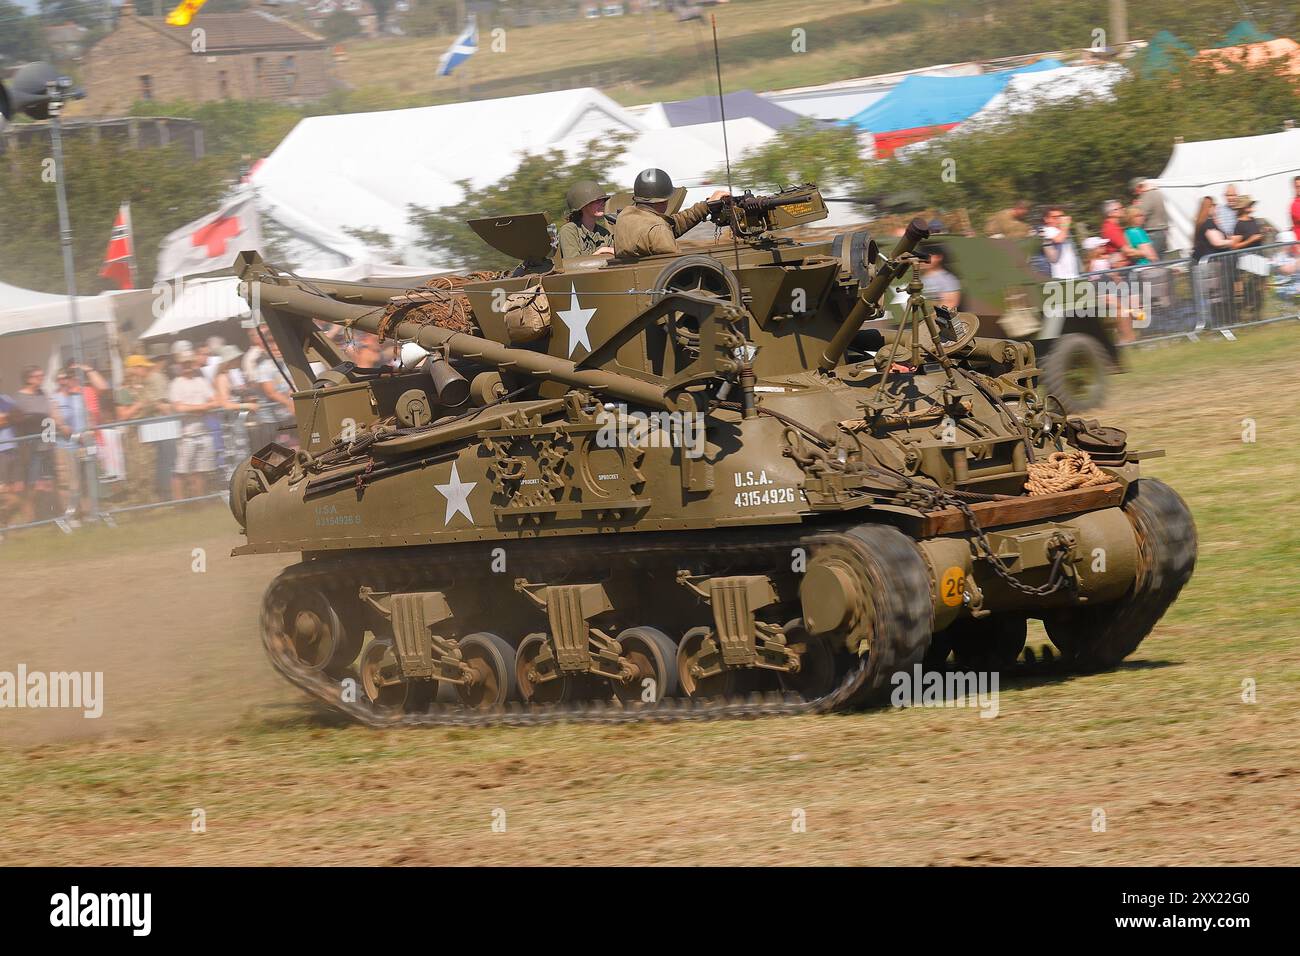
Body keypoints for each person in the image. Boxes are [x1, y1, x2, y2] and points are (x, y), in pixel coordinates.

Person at [611, 168, 729, 257]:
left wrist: (706, 206)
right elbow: (677, 269)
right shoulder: (658, 229)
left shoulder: (625, 217)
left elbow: (672, 224)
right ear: (664, 200)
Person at [168, 351, 219, 501]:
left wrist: (195, 408)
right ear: (179, 365)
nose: (187, 366)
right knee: (180, 471)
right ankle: (180, 503)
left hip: (203, 431)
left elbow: (215, 401)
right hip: (185, 434)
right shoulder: (176, 384)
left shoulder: (201, 381)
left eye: (189, 363)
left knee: (200, 471)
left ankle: (200, 502)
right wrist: (203, 408)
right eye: (184, 363)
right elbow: (178, 408)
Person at [556, 181, 614, 259]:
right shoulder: (569, 231)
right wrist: (600, 252)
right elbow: (572, 264)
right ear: (583, 204)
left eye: (603, 200)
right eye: (597, 201)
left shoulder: (604, 234)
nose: (603, 204)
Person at [1231, 196, 1265, 322]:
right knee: (1250, 290)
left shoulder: (1254, 220)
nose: (1251, 207)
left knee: (1259, 291)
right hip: (1248, 261)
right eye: (1249, 205)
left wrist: (1263, 235)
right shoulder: (1239, 224)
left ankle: (1259, 318)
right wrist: (1251, 240)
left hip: (1259, 259)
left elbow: (1258, 239)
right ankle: (1247, 318)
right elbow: (1234, 246)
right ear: (1243, 208)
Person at [1132, 177, 1169, 259]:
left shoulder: (1147, 195)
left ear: (1139, 187)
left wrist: (1135, 206)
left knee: (1153, 260)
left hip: (1153, 232)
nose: (1136, 193)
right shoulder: (1157, 192)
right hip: (1162, 230)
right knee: (1161, 258)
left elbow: (1140, 214)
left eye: (1135, 190)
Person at [1040, 207, 1080, 279]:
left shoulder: (1062, 231)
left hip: (1072, 274)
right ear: (1046, 219)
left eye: (1060, 217)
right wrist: (1065, 225)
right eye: (1055, 217)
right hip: (1060, 276)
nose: (1059, 220)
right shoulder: (1047, 230)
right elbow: (1059, 240)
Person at [920, 244, 961, 310]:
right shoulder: (919, 278)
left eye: (927, 256)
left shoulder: (947, 279)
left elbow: (950, 303)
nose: (922, 260)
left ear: (938, 258)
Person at [1099, 200, 1136, 266]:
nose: (1124, 209)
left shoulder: (1110, 226)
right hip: (1123, 267)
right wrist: (1145, 253)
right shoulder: (1112, 229)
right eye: (1120, 208)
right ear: (1110, 213)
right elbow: (1128, 251)